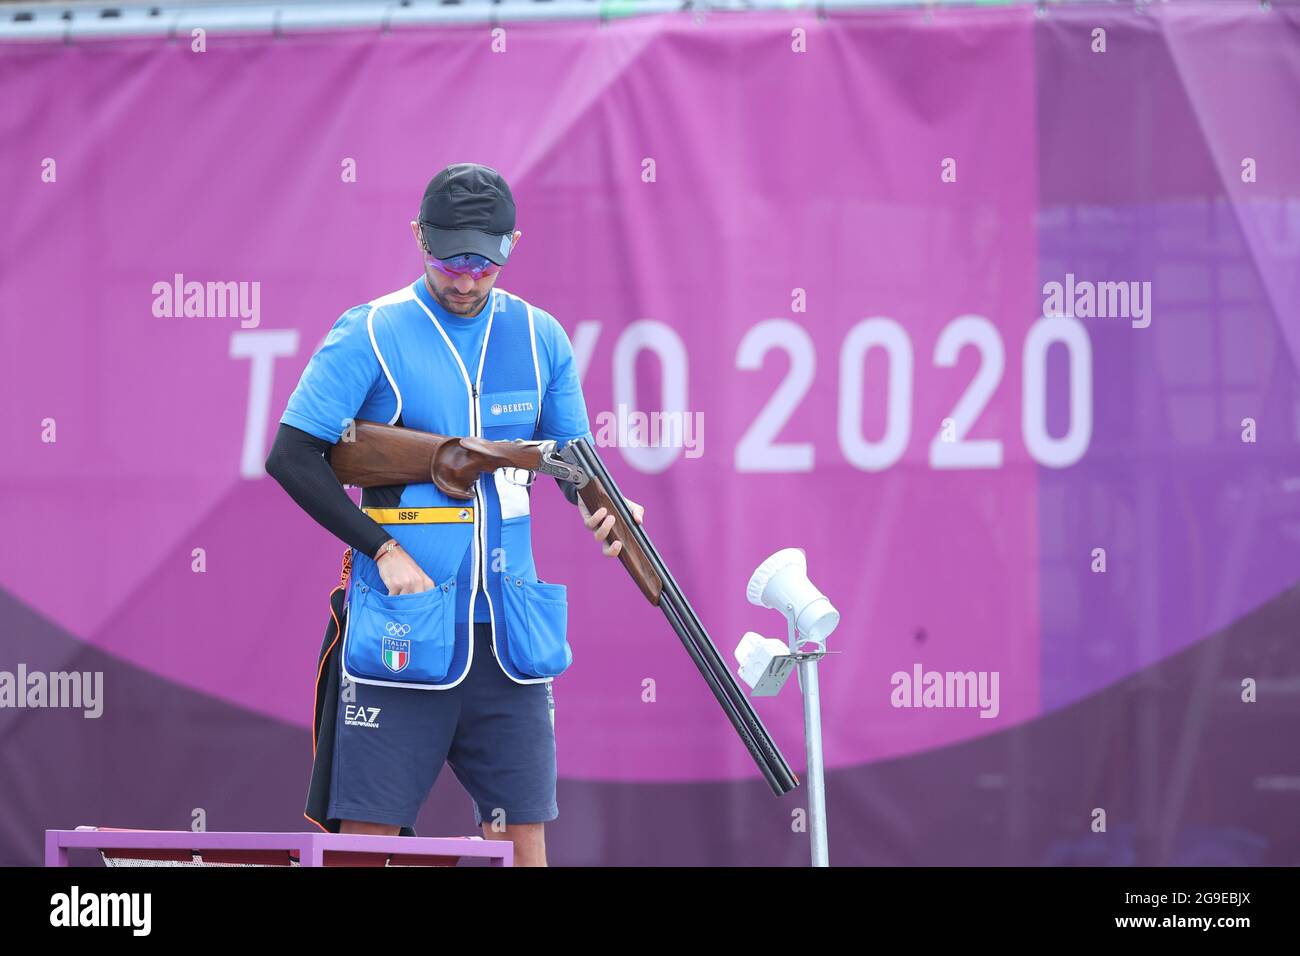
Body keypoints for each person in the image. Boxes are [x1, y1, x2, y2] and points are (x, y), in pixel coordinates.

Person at [265, 162, 642, 867]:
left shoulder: (541, 338)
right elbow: (291, 457)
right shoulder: (370, 332)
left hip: (509, 637)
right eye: (450, 258)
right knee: (365, 843)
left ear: (512, 244)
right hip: (403, 628)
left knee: (521, 838)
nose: (466, 278)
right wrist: (381, 550)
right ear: (417, 238)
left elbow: (573, 461)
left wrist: (608, 506)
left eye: (484, 261)